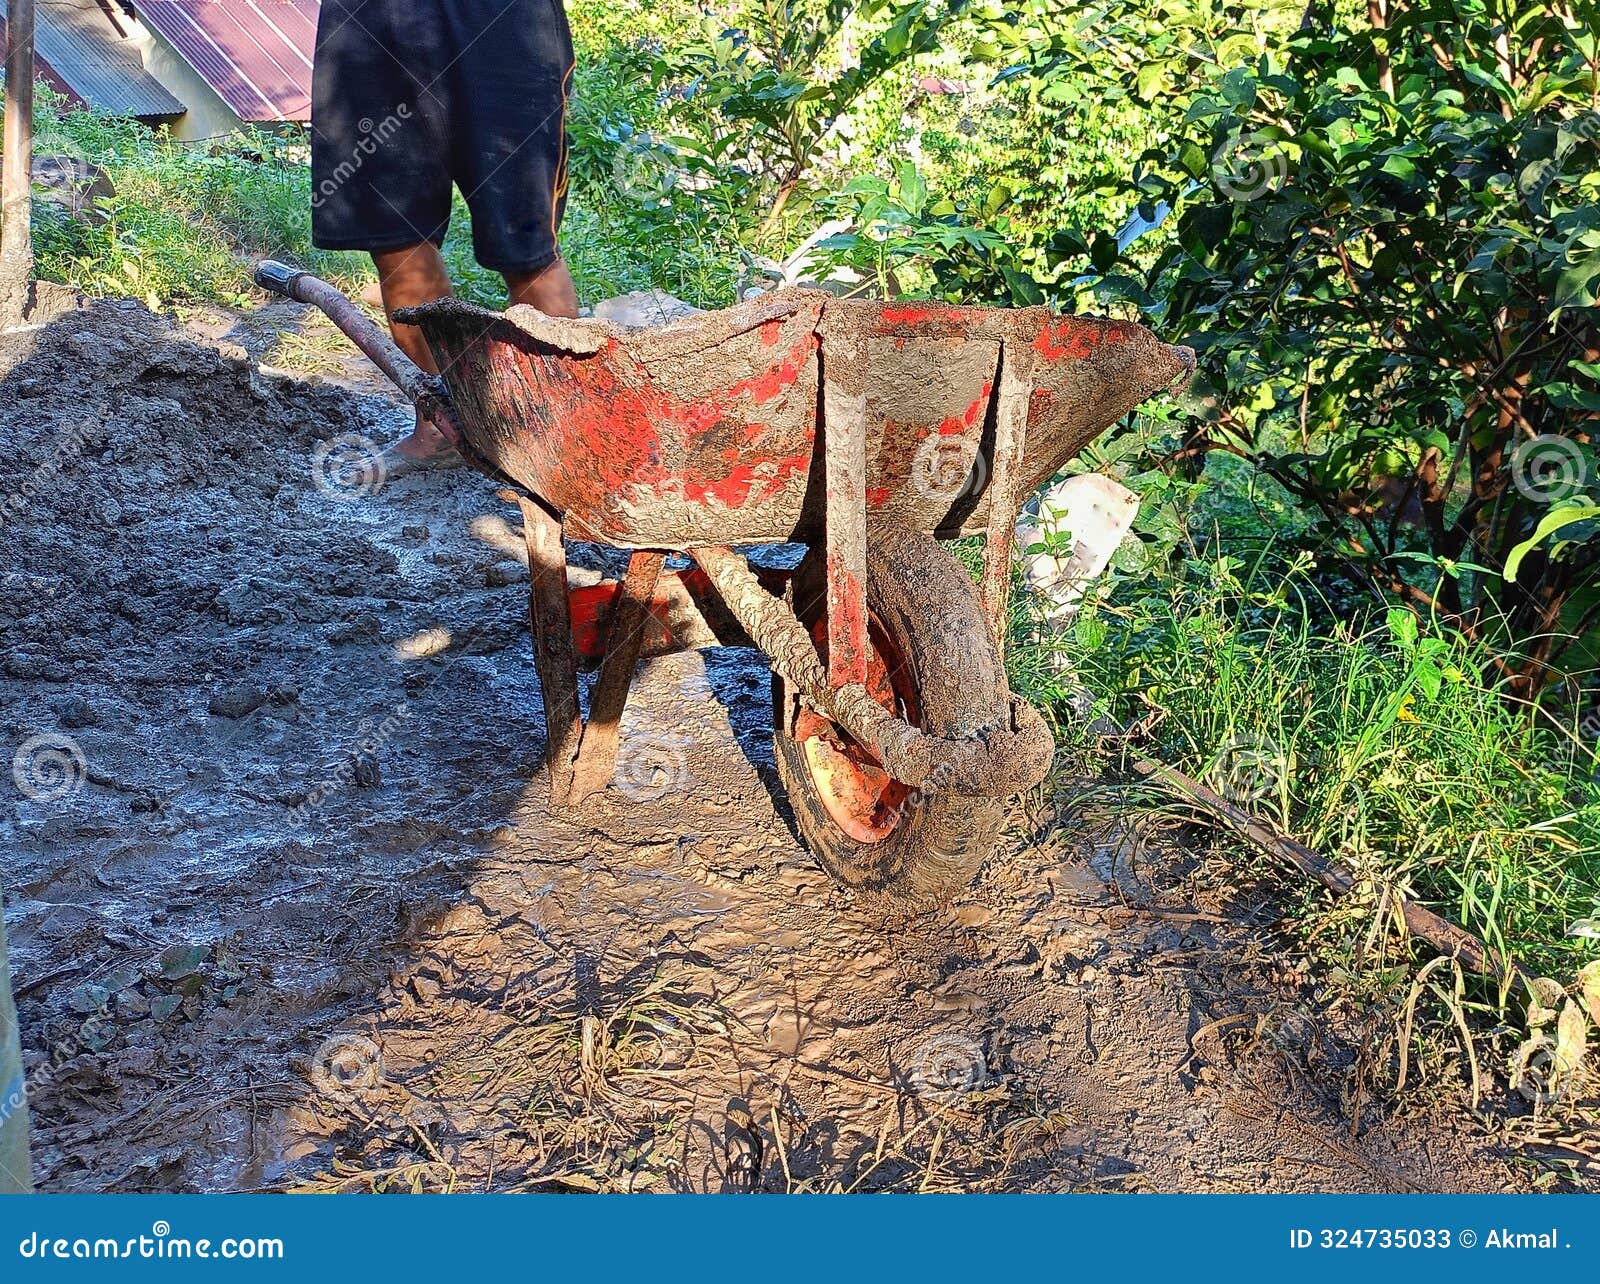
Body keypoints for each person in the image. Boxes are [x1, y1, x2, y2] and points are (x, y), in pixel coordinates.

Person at [310, 0, 580, 469]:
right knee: (394, 236)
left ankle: (554, 437)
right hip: (375, 20)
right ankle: (442, 429)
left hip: (499, 21)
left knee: (527, 249)